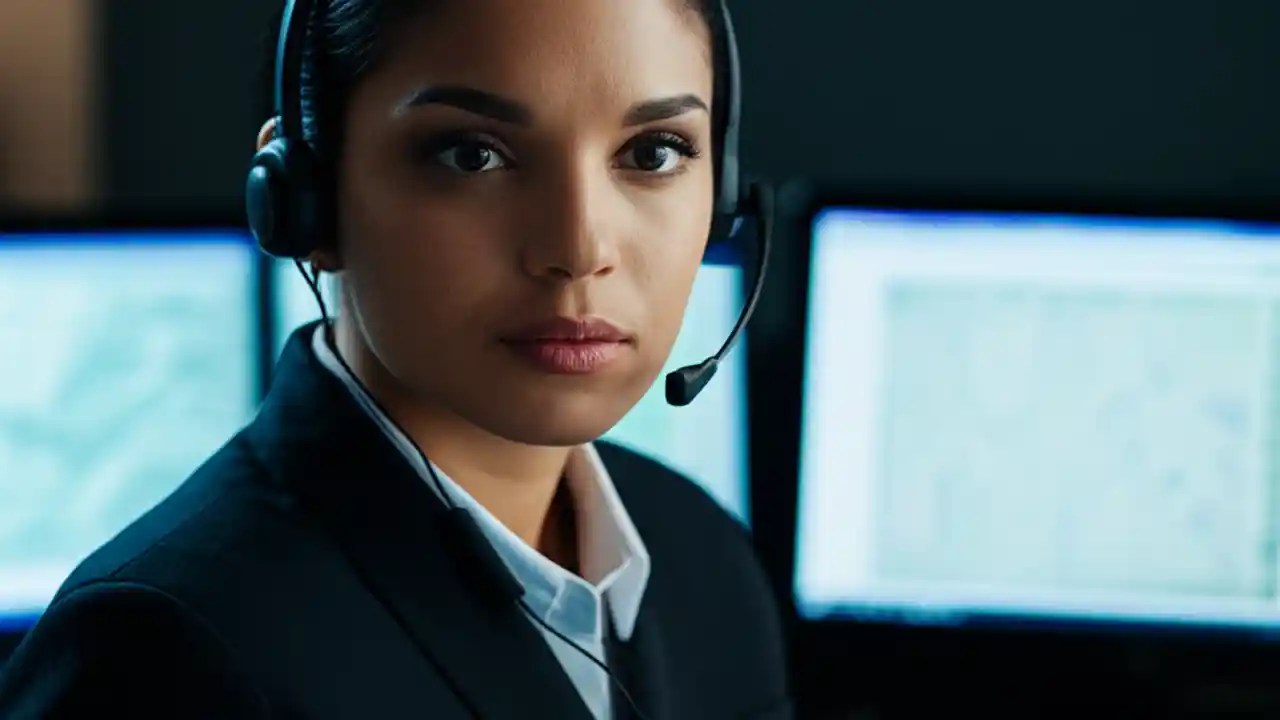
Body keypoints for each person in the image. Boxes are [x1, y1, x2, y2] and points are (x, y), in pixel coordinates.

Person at [0, 0, 791, 717]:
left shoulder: (702, 557)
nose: (579, 248)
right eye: (472, 155)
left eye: (653, 153)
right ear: (307, 199)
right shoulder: (155, 651)